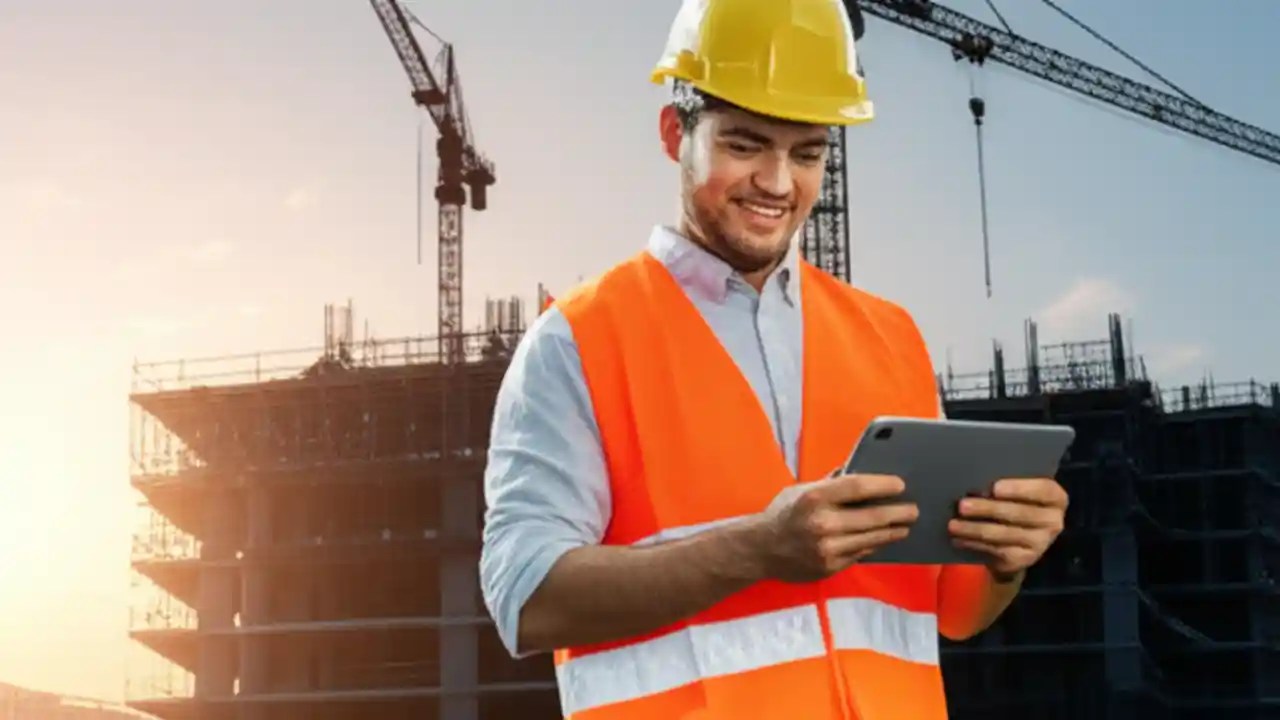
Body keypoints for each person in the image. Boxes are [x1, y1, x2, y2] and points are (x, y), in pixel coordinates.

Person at [479, 0, 1069, 717]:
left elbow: (957, 612)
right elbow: (526, 600)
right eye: (745, 144)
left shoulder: (891, 338)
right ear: (676, 133)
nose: (779, 183)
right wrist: (759, 550)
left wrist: (1007, 556)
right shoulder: (579, 340)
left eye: (809, 153)